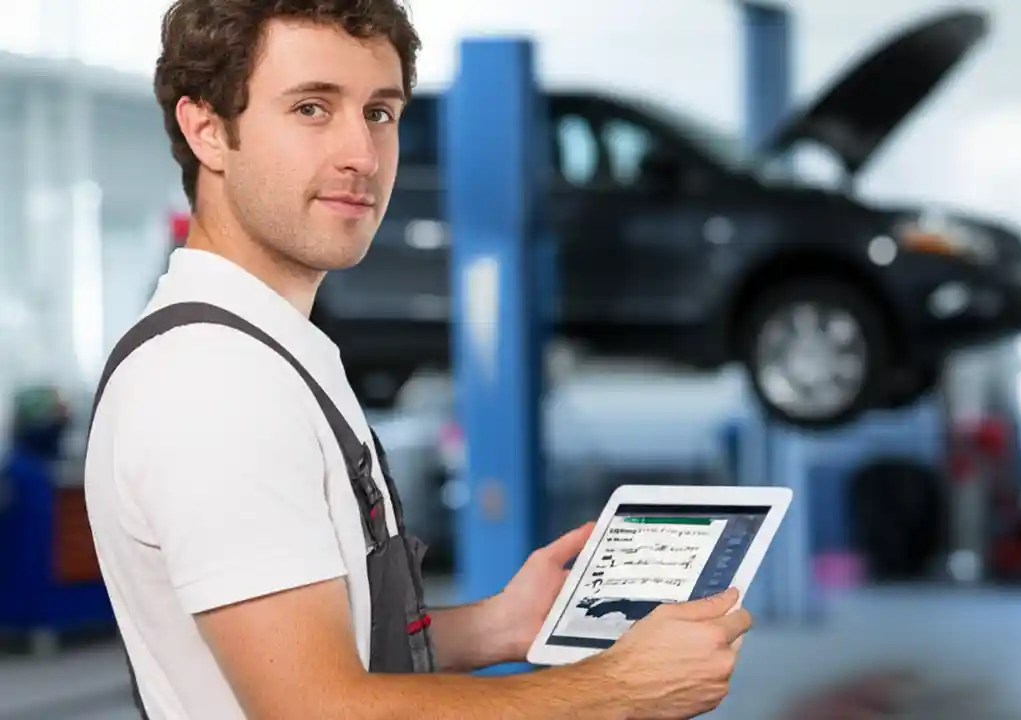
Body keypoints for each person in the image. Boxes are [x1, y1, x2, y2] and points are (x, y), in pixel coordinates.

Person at [82, 1, 752, 719]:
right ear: (207, 129)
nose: (361, 156)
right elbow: (316, 710)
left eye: (379, 113)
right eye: (312, 108)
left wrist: (499, 625)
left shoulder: (265, 351)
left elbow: (324, 651)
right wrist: (617, 690)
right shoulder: (215, 383)